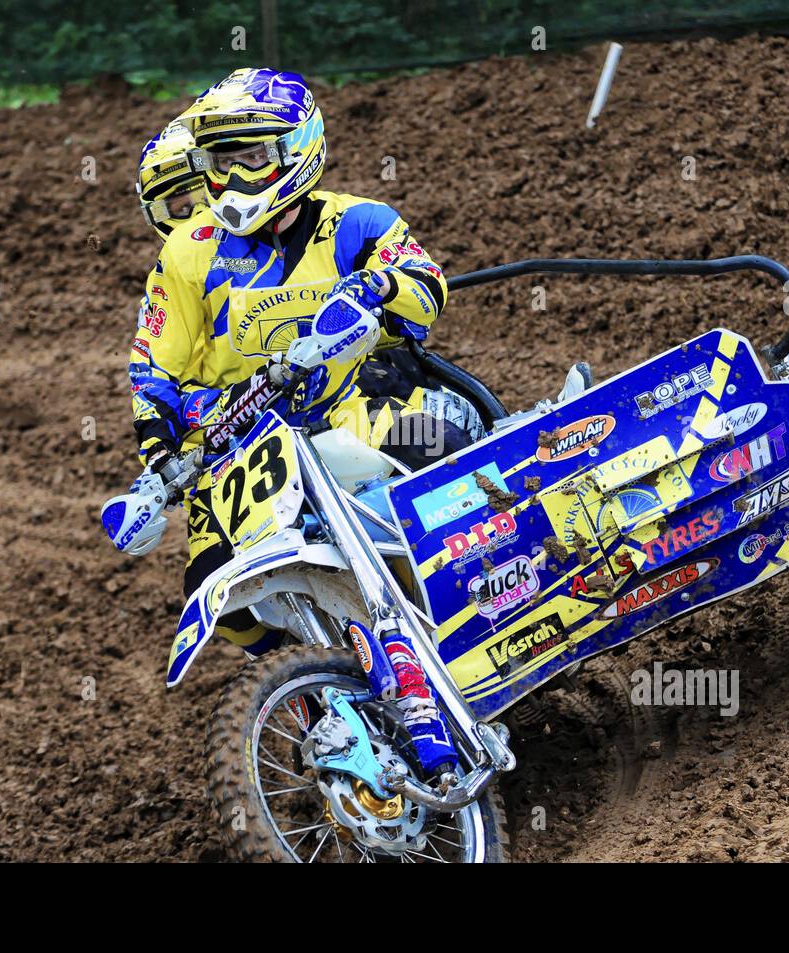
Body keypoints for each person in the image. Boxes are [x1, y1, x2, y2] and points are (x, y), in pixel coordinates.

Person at [125, 68, 466, 772]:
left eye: (251, 157)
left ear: (295, 149)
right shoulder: (188, 253)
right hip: (245, 456)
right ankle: (317, 686)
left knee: (440, 444)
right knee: (212, 586)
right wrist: (158, 458)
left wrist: (375, 288)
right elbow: (152, 367)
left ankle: (500, 576)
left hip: (356, 410)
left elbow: (427, 285)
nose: (235, 177)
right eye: (222, 162)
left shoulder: (357, 220)